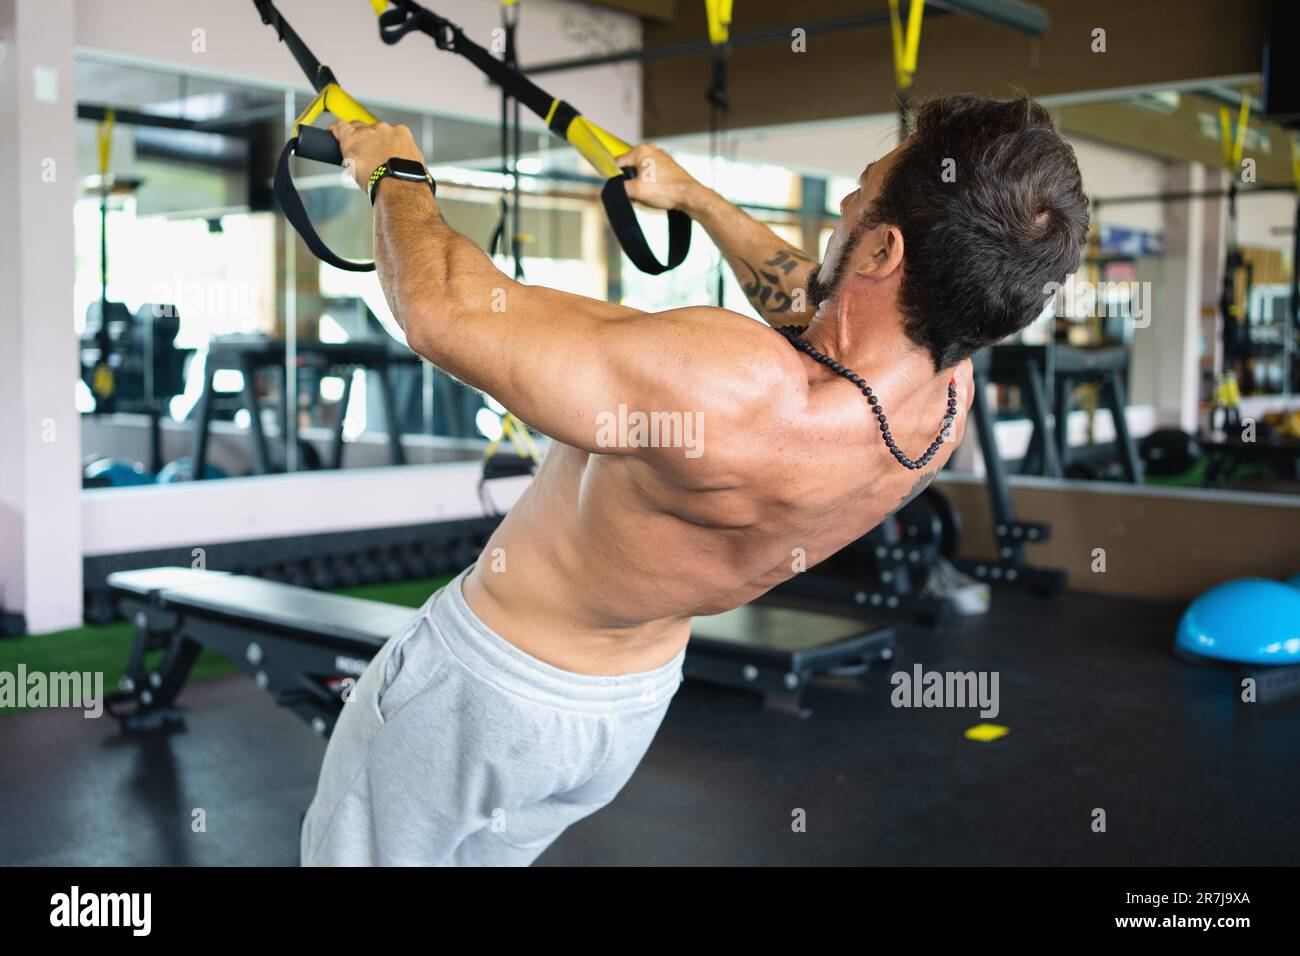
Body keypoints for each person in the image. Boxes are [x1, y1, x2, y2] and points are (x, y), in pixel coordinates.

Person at [300, 94, 1089, 865]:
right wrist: (695, 198)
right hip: (623, 712)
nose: (844, 200)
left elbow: (445, 312)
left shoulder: (728, 385)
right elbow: (817, 304)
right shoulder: (940, 406)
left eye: (862, 189)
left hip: (486, 691)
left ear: (882, 252)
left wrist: (394, 172)